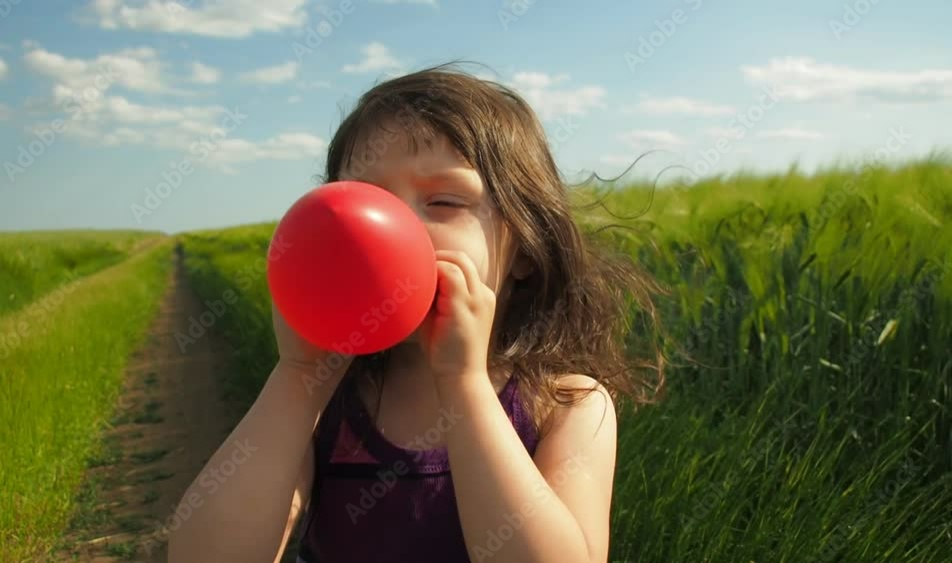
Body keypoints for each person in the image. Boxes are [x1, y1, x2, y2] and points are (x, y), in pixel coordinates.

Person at [168, 62, 664, 563]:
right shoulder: (330, 398)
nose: (387, 229)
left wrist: (464, 381)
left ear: (525, 252)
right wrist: (298, 376)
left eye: (444, 201)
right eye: (366, 202)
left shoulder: (565, 404)